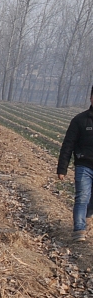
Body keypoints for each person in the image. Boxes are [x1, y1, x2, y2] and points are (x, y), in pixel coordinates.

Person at [58, 86, 93, 242]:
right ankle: (79, 229)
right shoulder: (79, 120)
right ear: (91, 98)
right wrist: (62, 168)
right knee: (82, 197)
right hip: (83, 166)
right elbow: (68, 145)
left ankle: (87, 216)